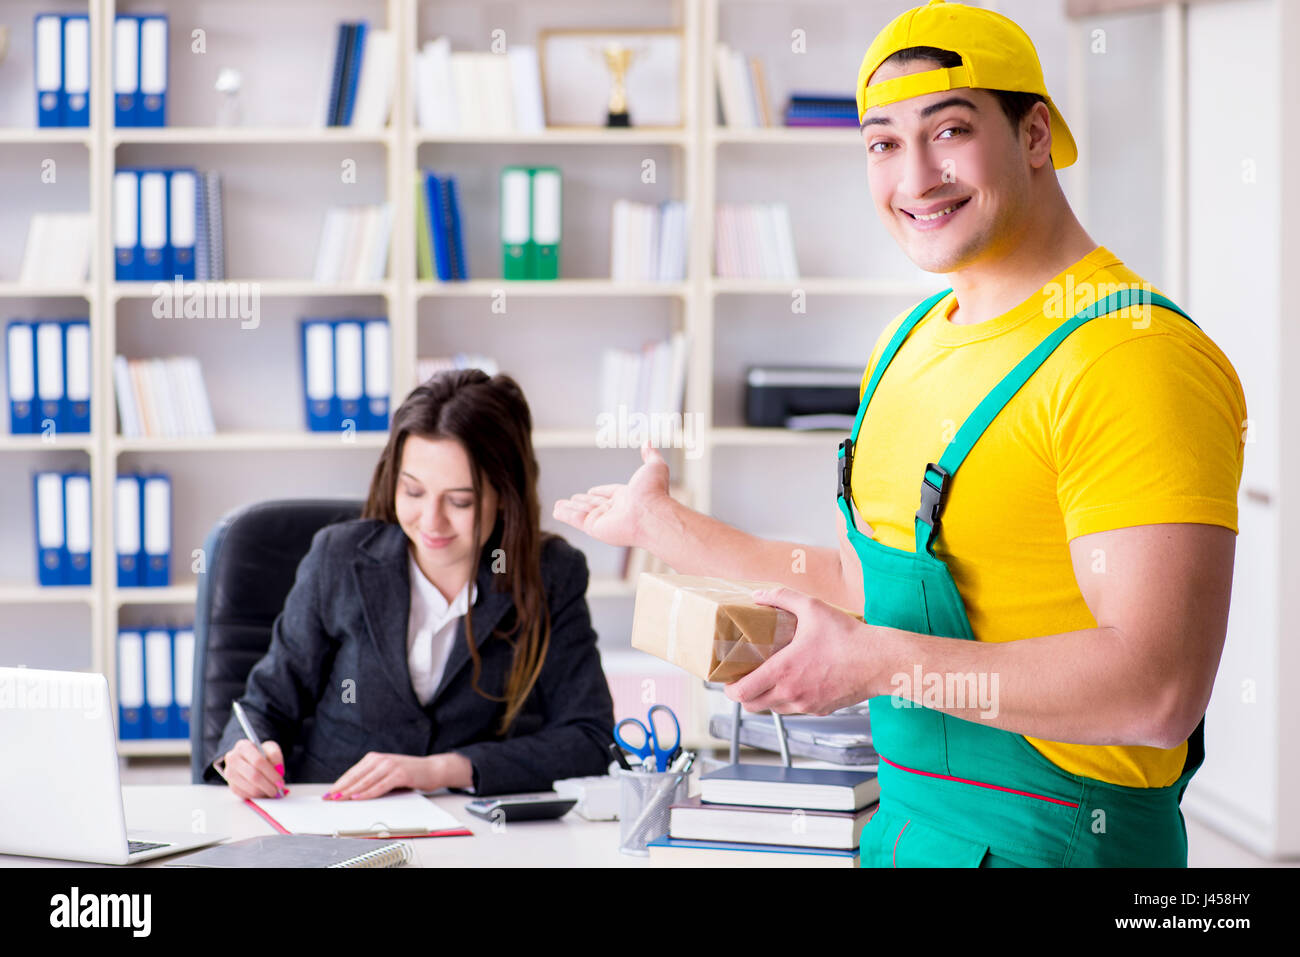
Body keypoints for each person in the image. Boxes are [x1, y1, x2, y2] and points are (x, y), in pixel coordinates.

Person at [553, 0, 1245, 867]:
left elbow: (1158, 688)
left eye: (948, 130)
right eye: (882, 142)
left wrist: (879, 664)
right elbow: (857, 579)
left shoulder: (1131, 359)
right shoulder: (910, 342)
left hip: (1061, 846)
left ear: (1035, 136)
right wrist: (670, 529)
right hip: (902, 835)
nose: (915, 176)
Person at [209, 369, 615, 800]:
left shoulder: (550, 573)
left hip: (474, 831)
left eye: (460, 501)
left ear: (505, 494)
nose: (431, 522)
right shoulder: (338, 558)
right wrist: (242, 754)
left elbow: (589, 738)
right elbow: (265, 704)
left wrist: (442, 769)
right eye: (413, 492)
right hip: (332, 816)